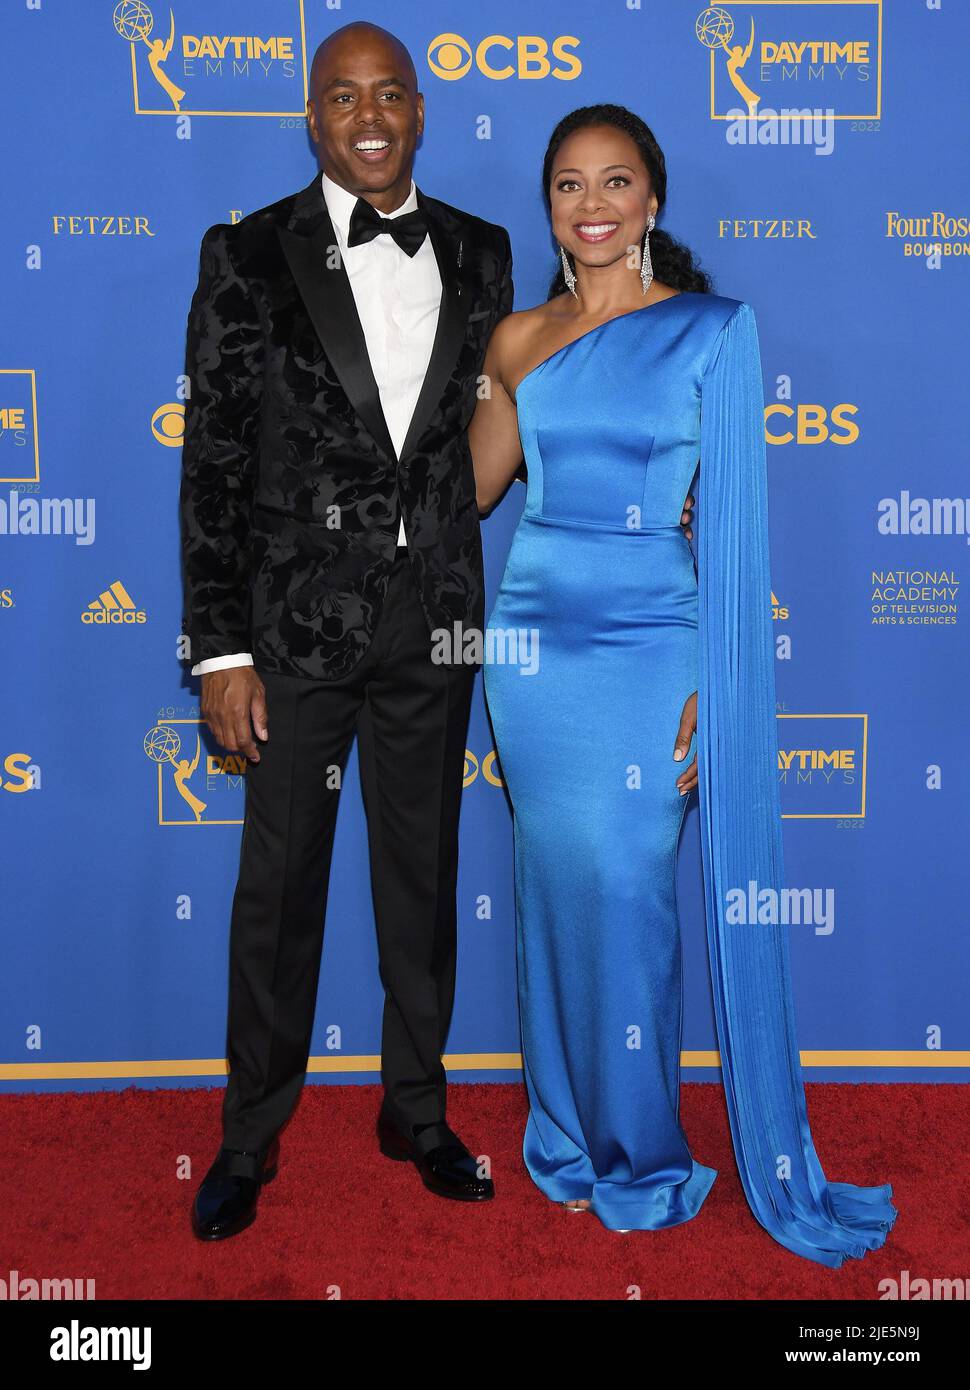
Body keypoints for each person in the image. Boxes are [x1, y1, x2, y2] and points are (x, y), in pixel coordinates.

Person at [470, 104, 897, 1267]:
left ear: (653, 199)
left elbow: (739, 529)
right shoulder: (515, 342)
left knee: (626, 895)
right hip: (534, 654)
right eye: (569, 183)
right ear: (549, 202)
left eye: (616, 182)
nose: (593, 205)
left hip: (657, 642)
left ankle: (643, 1157)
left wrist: (725, 673)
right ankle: (563, 1140)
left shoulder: (714, 332)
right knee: (557, 893)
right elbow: (462, 497)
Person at [179, 21, 517, 1239]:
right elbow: (213, 462)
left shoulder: (483, 250)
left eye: (388, 96)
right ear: (312, 118)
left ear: (421, 113)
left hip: (433, 632)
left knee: (421, 885)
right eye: (340, 97)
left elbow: (499, 422)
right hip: (291, 639)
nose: (367, 116)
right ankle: (249, 1136)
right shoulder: (246, 254)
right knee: (279, 891)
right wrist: (218, 650)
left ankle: (416, 1112)